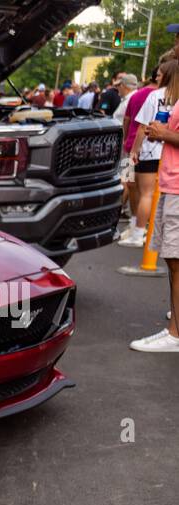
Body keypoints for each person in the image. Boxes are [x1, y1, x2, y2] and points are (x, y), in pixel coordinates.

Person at [131, 58, 179, 352]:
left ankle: (175, 335)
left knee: (177, 262)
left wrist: (163, 134)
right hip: (170, 183)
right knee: (173, 261)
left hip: (177, 186)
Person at [124, 60, 172, 247]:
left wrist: (131, 148)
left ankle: (136, 228)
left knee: (134, 187)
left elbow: (130, 122)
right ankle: (143, 229)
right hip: (164, 151)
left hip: (138, 148)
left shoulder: (140, 96)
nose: (157, 77)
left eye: (159, 74)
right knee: (155, 194)